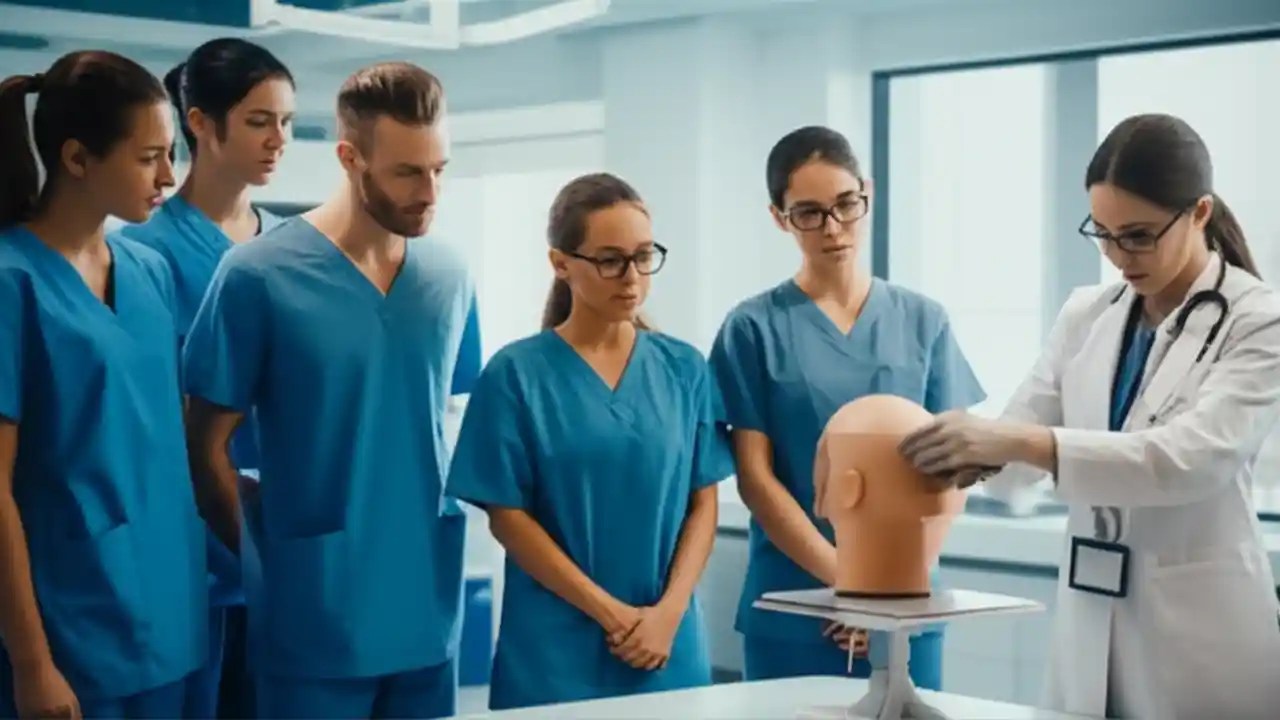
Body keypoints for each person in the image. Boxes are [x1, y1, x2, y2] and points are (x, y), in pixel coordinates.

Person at [898, 113, 1280, 719]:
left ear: (1200, 213)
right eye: (1100, 232)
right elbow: (1016, 444)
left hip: (1200, 635)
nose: (1115, 255)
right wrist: (946, 452)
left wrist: (1016, 442)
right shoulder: (1088, 314)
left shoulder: (1256, 319)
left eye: (1137, 235)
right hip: (1091, 613)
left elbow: (1187, 459)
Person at [181, 62, 480, 720]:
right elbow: (203, 448)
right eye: (407, 172)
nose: (430, 191)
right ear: (350, 158)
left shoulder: (450, 275)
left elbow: (443, 417)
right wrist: (275, 567)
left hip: (426, 607)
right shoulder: (258, 275)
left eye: (440, 168)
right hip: (314, 619)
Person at [708, 126, 984, 687]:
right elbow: (756, 480)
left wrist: (885, 588)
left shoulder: (923, 320)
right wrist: (848, 583)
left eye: (845, 206)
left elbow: (951, 474)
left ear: (868, 193)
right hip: (793, 599)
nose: (833, 228)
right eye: (809, 213)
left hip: (906, 600)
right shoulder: (753, 328)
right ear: (779, 217)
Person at [445, 172, 732, 710]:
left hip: (666, 645)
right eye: (610, 259)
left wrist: (667, 615)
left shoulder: (684, 369)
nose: (632, 277)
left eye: (644, 257)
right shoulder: (515, 375)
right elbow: (508, 517)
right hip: (556, 654)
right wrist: (611, 614)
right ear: (561, 263)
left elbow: (703, 503)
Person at [0, 51, 206, 718]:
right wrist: (32, 664)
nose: (169, 176)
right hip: (72, 634)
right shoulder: (11, 282)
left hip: (172, 618)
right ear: (78, 159)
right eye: (149, 157)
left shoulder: (150, 272)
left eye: (172, 153)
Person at [117, 37, 295, 720]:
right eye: (258, 121)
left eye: (284, 121)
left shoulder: (295, 249)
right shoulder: (139, 253)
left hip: (294, 550)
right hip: (196, 565)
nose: (278, 139)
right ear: (197, 121)